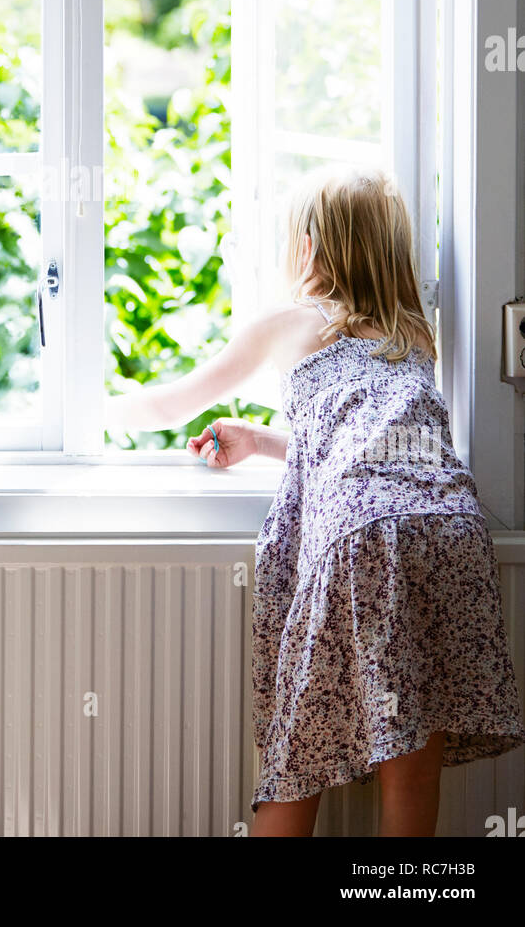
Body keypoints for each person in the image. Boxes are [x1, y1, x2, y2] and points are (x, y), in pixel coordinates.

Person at [106, 167, 525, 836]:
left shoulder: (291, 322)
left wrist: (93, 404)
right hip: (449, 530)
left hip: (364, 537)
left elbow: (173, 402)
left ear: (306, 249)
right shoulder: (410, 332)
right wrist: (260, 440)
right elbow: (361, 437)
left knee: (300, 748)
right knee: (410, 757)